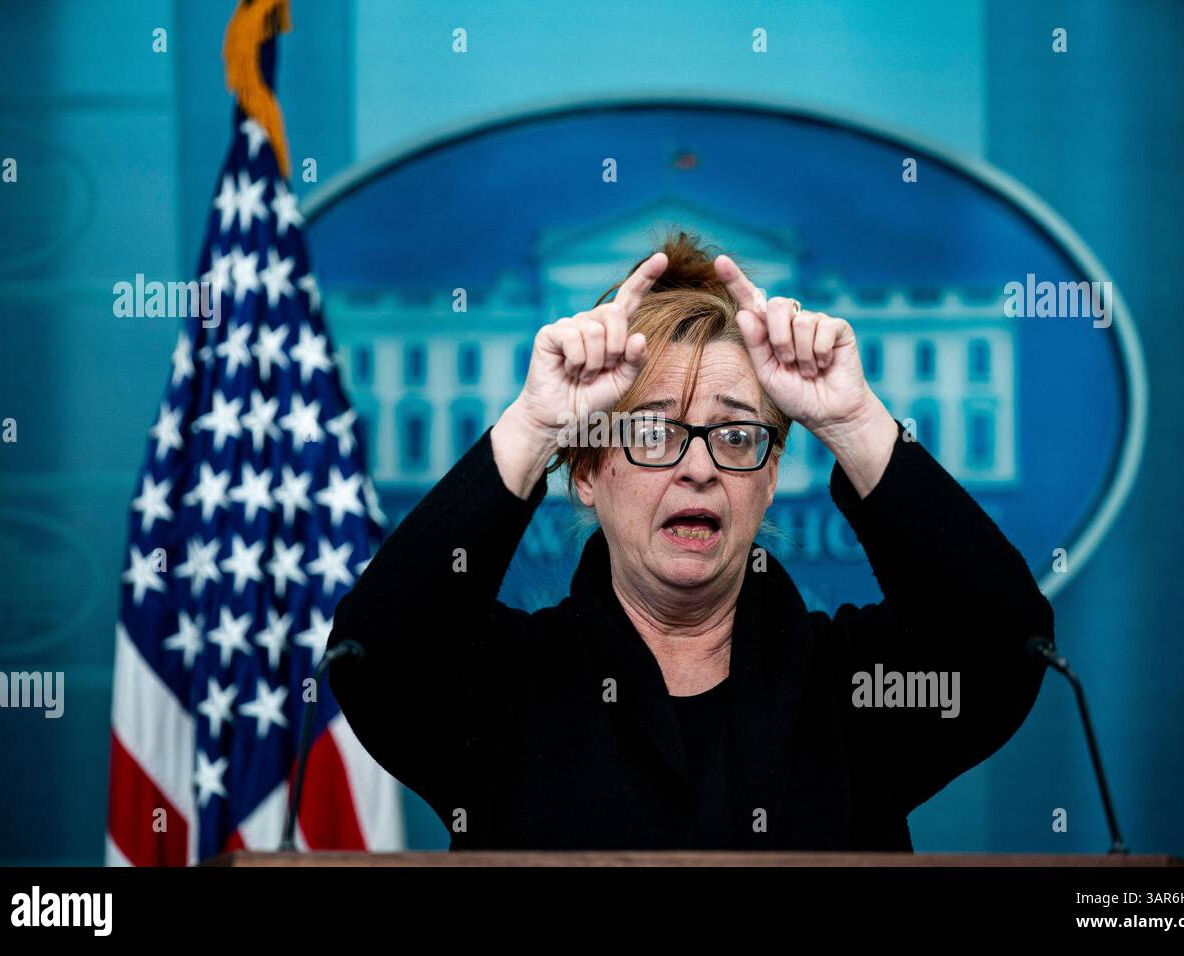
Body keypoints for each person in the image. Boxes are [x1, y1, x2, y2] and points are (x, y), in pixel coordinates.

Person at [326, 231, 1054, 851]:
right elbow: (376, 660)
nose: (699, 467)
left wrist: (853, 421)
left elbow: (1004, 645)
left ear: (770, 477)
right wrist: (535, 425)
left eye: (735, 434)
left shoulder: (855, 690)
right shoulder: (502, 690)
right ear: (588, 472)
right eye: (653, 432)